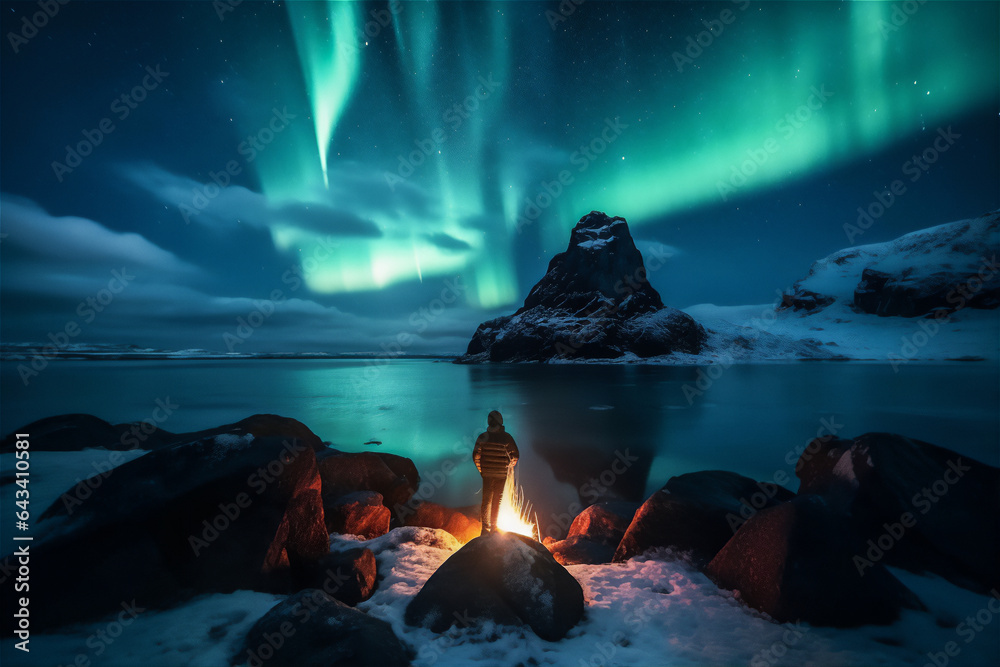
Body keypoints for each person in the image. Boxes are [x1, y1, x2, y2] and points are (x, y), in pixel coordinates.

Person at [472, 410, 519, 536]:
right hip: (501, 474)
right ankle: (493, 528)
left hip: (487, 473)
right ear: (500, 422)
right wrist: (510, 464)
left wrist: (481, 470)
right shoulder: (506, 437)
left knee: (486, 499)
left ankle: (484, 529)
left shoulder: (482, 437)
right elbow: (515, 455)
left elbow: (476, 455)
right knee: (497, 500)